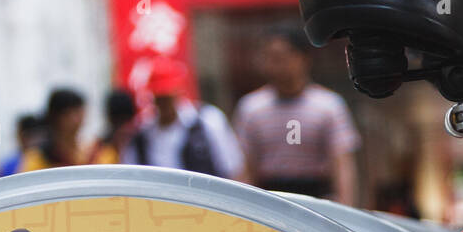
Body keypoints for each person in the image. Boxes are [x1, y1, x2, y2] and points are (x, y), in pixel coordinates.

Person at [234, 26, 360, 204]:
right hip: (268, 198)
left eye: (282, 57)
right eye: (269, 58)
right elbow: (244, 165)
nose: (275, 65)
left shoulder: (328, 106)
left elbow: (342, 164)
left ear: (303, 58)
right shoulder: (251, 108)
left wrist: (346, 207)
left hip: (316, 198)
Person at [121, 58, 244, 179]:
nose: (164, 103)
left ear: (178, 91)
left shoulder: (208, 120)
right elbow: (131, 176)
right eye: (159, 97)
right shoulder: (142, 134)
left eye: (167, 97)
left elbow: (233, 168)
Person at [17, 89, 89, 171]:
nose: (76, 120)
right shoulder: (37, 159)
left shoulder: (89, 152)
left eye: (79, 113)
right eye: (69, 114)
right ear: (56, 118)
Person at [88, 89, 139, 165]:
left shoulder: (141, 142)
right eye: (118, 122)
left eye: (125, 120)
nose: (123, 129)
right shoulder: (100, 147)